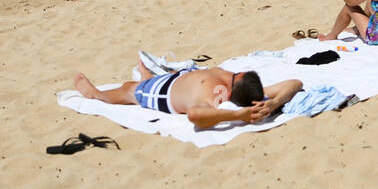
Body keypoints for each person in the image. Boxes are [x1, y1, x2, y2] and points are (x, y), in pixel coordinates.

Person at [72, 64, 299, 129]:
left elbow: (195, 115)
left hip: (158, 92)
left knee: (128, 89)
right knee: (153, 75)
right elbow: (295, 83)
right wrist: (275, 102)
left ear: (230, 91)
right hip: (180, 77)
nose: (232, 73)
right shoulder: (248, 89)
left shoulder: (212, 96)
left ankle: (95, 94)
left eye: (235, 76)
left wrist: (239, 114)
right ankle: (147, 74)